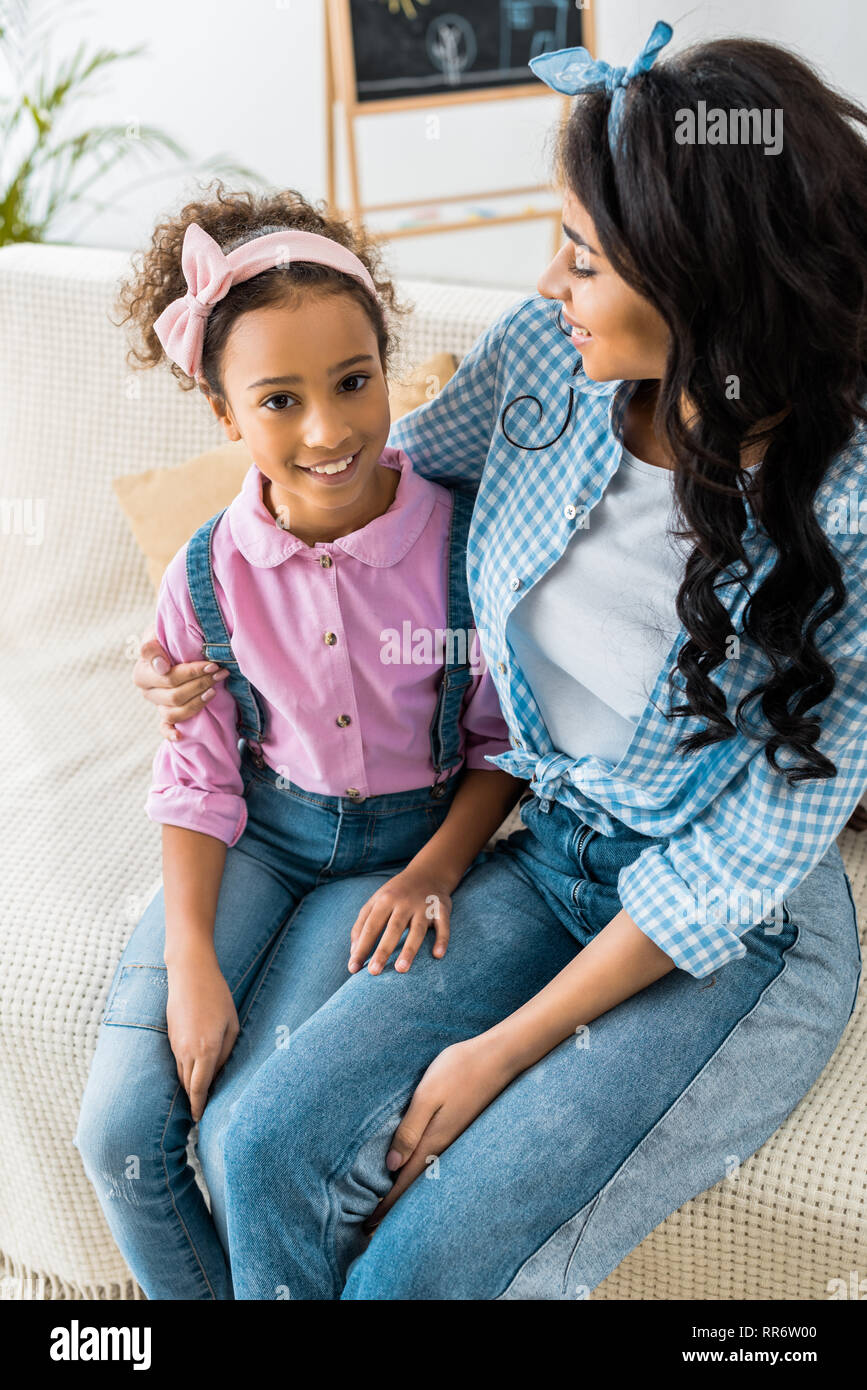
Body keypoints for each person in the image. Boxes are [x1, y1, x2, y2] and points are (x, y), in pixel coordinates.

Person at [134, 22, 867, 1300]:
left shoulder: (849, 512)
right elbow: (368, 469)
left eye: (580, 256)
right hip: (553, 849)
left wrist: (498, 1053)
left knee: (419, 1270)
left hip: (729, 934)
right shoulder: (547, 369)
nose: (543, 285)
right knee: (255, 1147)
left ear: (702, 276)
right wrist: (204, 610)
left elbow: (735, 866)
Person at [73, 189, 520, 1299]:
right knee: (122, 1132)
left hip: (391, 856)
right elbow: (197, 773)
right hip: (258, 838)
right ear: (227, 414)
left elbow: (501, 743)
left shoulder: (465, 546)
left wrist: (432, 867)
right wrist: (191, 964)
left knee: (244, 1133)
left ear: (384, 364)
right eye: (280, 399)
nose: (328, 429)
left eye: (353, 381)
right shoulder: (204, 574)